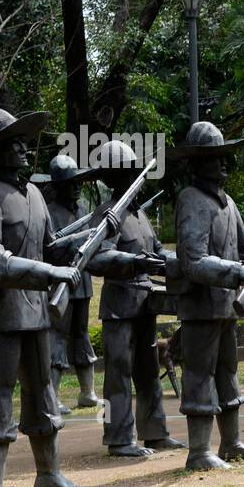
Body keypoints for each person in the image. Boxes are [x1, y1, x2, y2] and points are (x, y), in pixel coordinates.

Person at [0, 108, 91, 487]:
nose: (24, 148)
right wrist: (50, 270)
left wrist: (92, 234)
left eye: (24, 141)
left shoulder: (33, 195)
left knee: (43, 392)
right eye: (14, 142)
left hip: (36, 313)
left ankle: (49, 476)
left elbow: (48, 247)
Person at [170, 121, 244, 471]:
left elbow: (243, 251)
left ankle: (231, 441)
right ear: (198, 163)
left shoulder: (228, 204)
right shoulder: (191, 200)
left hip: (226, 306)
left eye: (224, 156)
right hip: (200, 306)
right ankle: (199, 451)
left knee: (228, 370)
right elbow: (193, 260)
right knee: (199, 374)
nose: (224, 163)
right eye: (215, 158)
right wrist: (238, 272)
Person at [82, 140, 185, 457]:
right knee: (118, 373)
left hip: (145, 303)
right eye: (130, 173)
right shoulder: (107, 214)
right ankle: (118, 437)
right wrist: (133, 263)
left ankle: (155, 433)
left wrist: (180, 263)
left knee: (147, 371)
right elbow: (95, 258)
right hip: (119, 306)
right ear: (118, 177)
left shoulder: (139, 216)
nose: (137, 178)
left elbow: (156, 252)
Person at [31, 154, 98, 413]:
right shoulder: (49, 212)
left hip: (82, 281)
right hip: (61, 281)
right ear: (58, 186)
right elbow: (46, 250)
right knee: (57, 337)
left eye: (78, 182)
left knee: (81, 335)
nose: (77, 187)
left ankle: (88, 392)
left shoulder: (82, 210)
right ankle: (54, 396)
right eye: (71, 183)